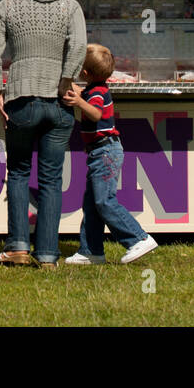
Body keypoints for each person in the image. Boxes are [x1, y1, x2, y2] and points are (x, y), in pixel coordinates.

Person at [0, 0, 86, 267]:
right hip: (59, 102)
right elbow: (80, 46)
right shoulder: (70, 6)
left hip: (21, 99)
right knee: (51, 179)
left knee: (17, 172)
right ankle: (47, 254)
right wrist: (67, 79)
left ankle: (17, 246)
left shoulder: (7, 5)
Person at [61, 43, 158, 265]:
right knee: (92, 203)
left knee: (104, 200)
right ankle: (91, 251)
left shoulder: (97, 93)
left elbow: (95, 113)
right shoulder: (94, 89)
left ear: (85, 73)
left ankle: (138, 238)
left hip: (105, 152)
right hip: (100, 152)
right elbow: (78, 91)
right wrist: (68, 85)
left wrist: (78, 103)